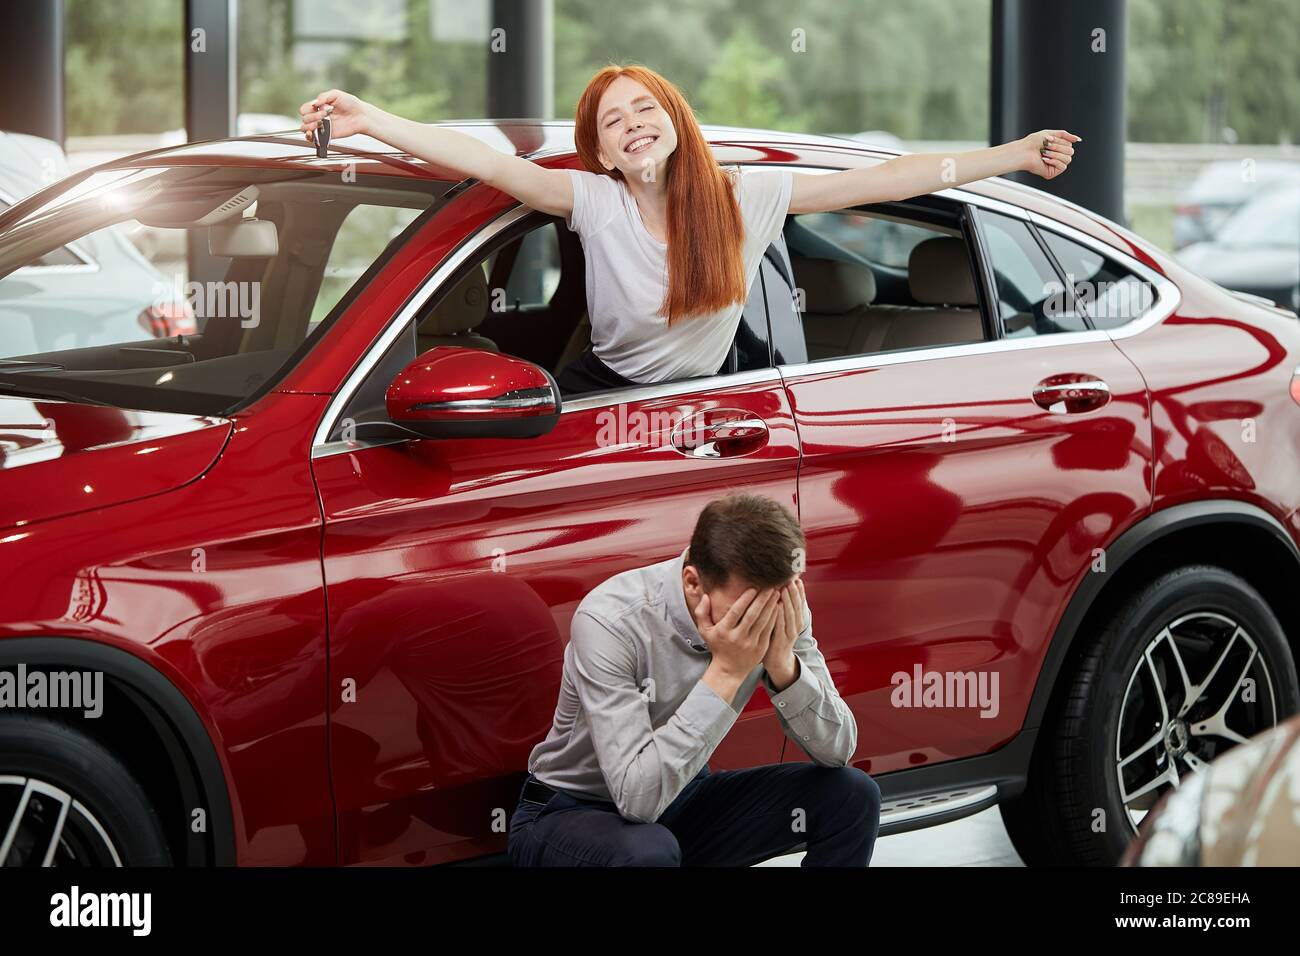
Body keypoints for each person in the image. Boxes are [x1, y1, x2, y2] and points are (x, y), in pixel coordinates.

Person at [300, 65, 1078, 394]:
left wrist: (1012, 155)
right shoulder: (595, 202)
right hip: (600, 397)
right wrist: (371, 120)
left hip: (711, 417)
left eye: (646, 109)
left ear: (674, 122)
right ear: (601, 150)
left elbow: (884, 179)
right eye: (614, 121)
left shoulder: (741, 198)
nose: (633, 125)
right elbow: (488, 165)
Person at [505, 492, 876, 866]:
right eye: (747, 611)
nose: (762, 621)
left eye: (774, 604)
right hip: (569, 812)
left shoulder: (779, 602)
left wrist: (784, 665)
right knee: (648, 850)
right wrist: (726, 672)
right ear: (693, 582)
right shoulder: (611, 620)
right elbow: (637, 801)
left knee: (852, 794)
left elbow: (838, 750)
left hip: (683, 799)